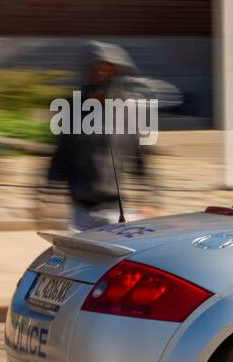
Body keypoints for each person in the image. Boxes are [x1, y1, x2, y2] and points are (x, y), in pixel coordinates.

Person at [44, 42, 158, 230]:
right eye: (97, 72)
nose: (103, 77)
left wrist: (152, 200)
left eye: (110, 72)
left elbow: (141, 160)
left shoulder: (128, 111)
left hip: (115, 209)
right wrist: (46, 198)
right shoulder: (72, 109)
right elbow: (60, 157)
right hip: (81, 210)